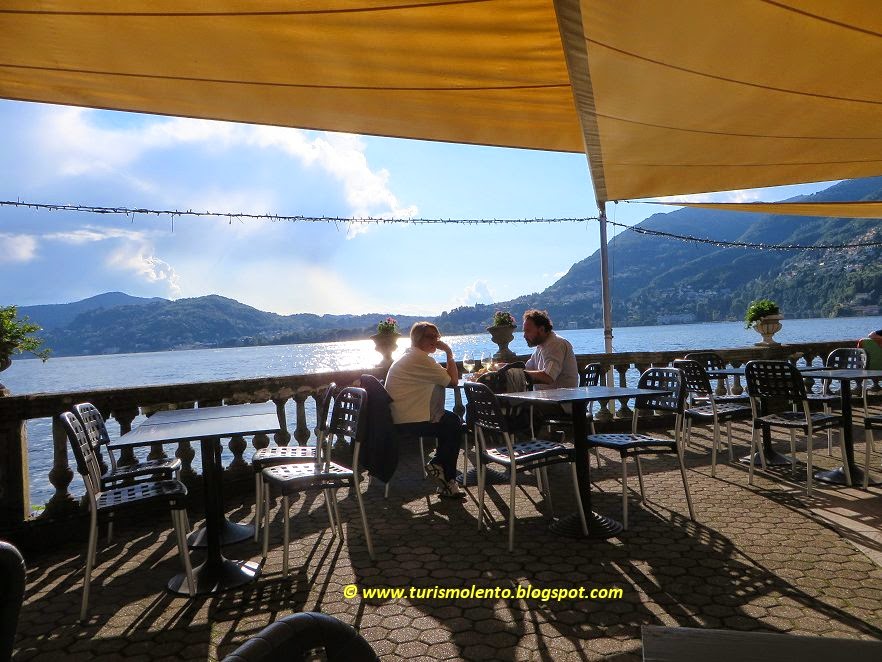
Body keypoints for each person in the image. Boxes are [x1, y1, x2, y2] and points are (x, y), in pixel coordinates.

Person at [385, 322, 464, 499]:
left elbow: (445, 376)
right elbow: (453, 381)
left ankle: (446, 479)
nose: (435, 340)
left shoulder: (412, 356)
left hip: (400, 417)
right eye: (430, 336)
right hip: (408, 422)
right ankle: (443, 472)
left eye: (437, 337)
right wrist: (449, 352)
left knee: (449, 422)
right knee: (453, 424)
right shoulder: (420, 359)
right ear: (417, 338)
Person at [522, 309, 578, 390]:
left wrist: (518, 374)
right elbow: (527, 369)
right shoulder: (541, 346)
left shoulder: (556, 344)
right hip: (547, 400)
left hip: (562, 400)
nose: (524, 336)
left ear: (541, 329)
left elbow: (548, 377)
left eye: (528, 331)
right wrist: (507, 368)